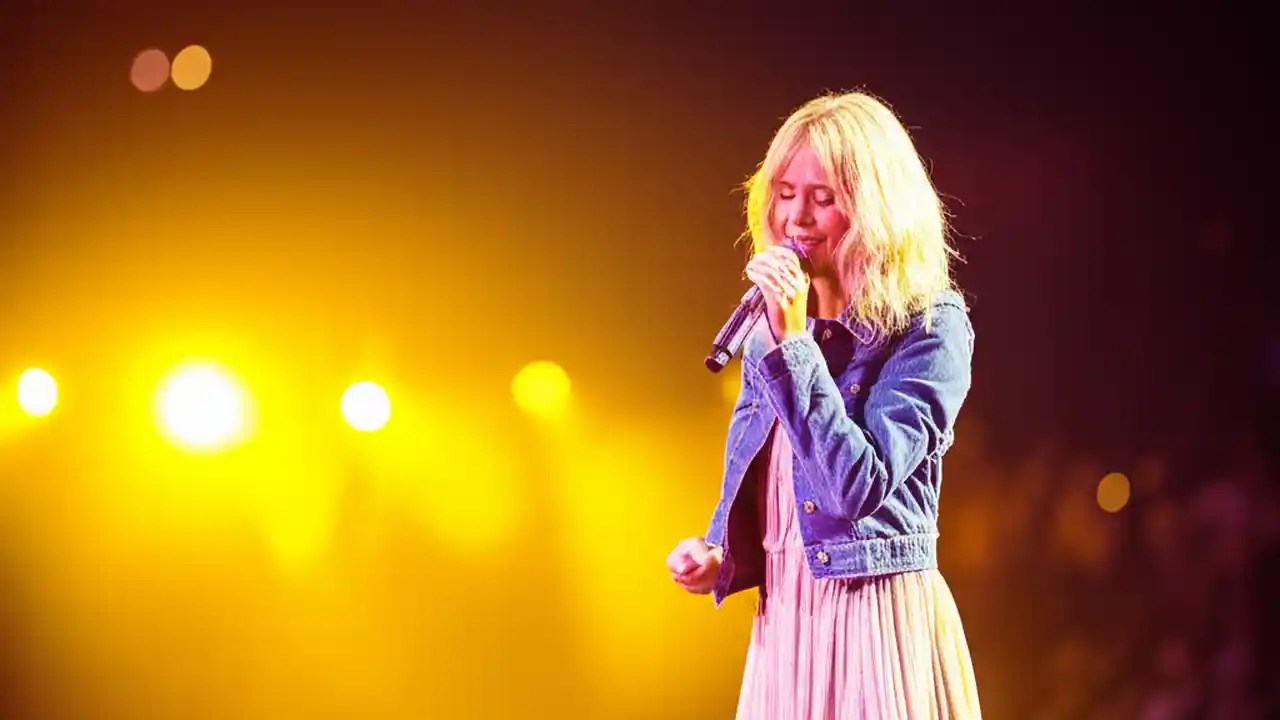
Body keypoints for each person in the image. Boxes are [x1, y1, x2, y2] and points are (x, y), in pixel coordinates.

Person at [665, 90, 982, 718]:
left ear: (875, 208)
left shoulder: (929, 327)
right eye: (785, 193)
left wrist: (794, 343)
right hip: (786, 617)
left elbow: (854, 488)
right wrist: (719, 550)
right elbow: (765, 471)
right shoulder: (772, 330)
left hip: (873, 616)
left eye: (823, 198)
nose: (796, 219)